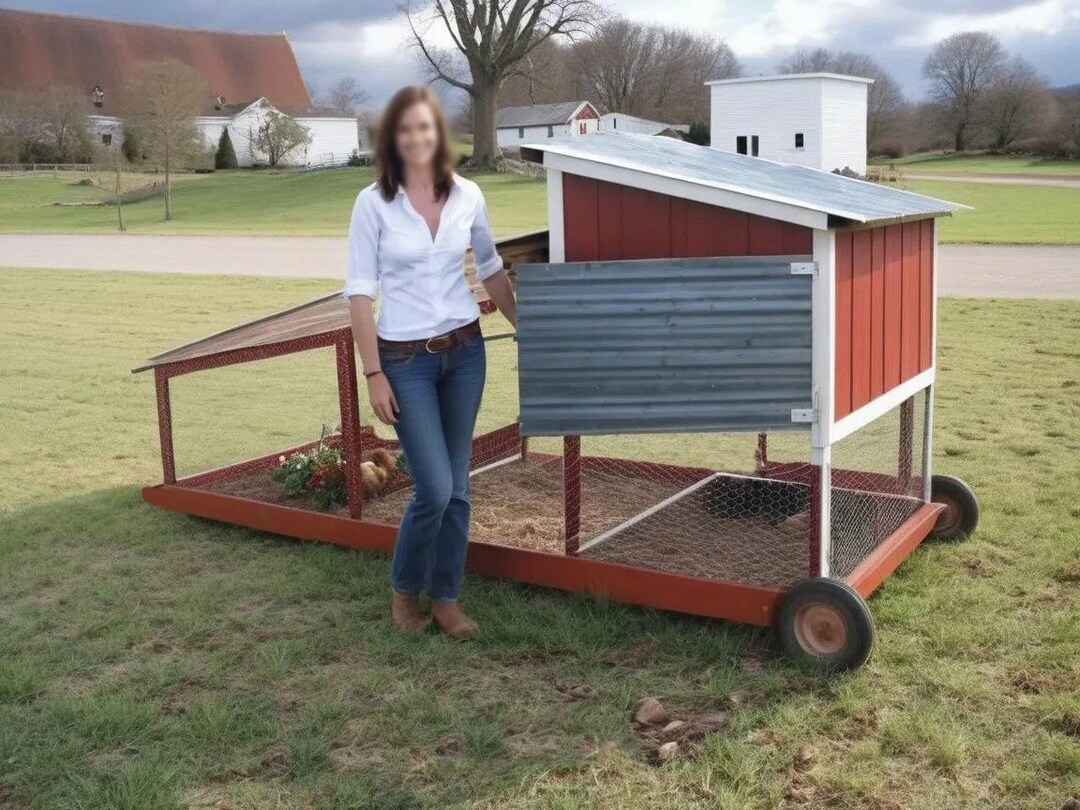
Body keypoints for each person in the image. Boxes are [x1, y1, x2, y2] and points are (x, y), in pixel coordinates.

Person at [344, 86, 517, 638]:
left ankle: (446, 599)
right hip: (404, 363)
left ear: (437, 134)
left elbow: (489, 269)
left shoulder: (468, 195)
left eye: (424, 127)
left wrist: (527, 327)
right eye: (404, 130)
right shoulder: (373, 203)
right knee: (434, 490)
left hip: (465, 353)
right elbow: (358, 294)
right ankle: (403, 592)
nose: (416, 138)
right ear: (391, 140)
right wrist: (373, 373)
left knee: (459, 487)